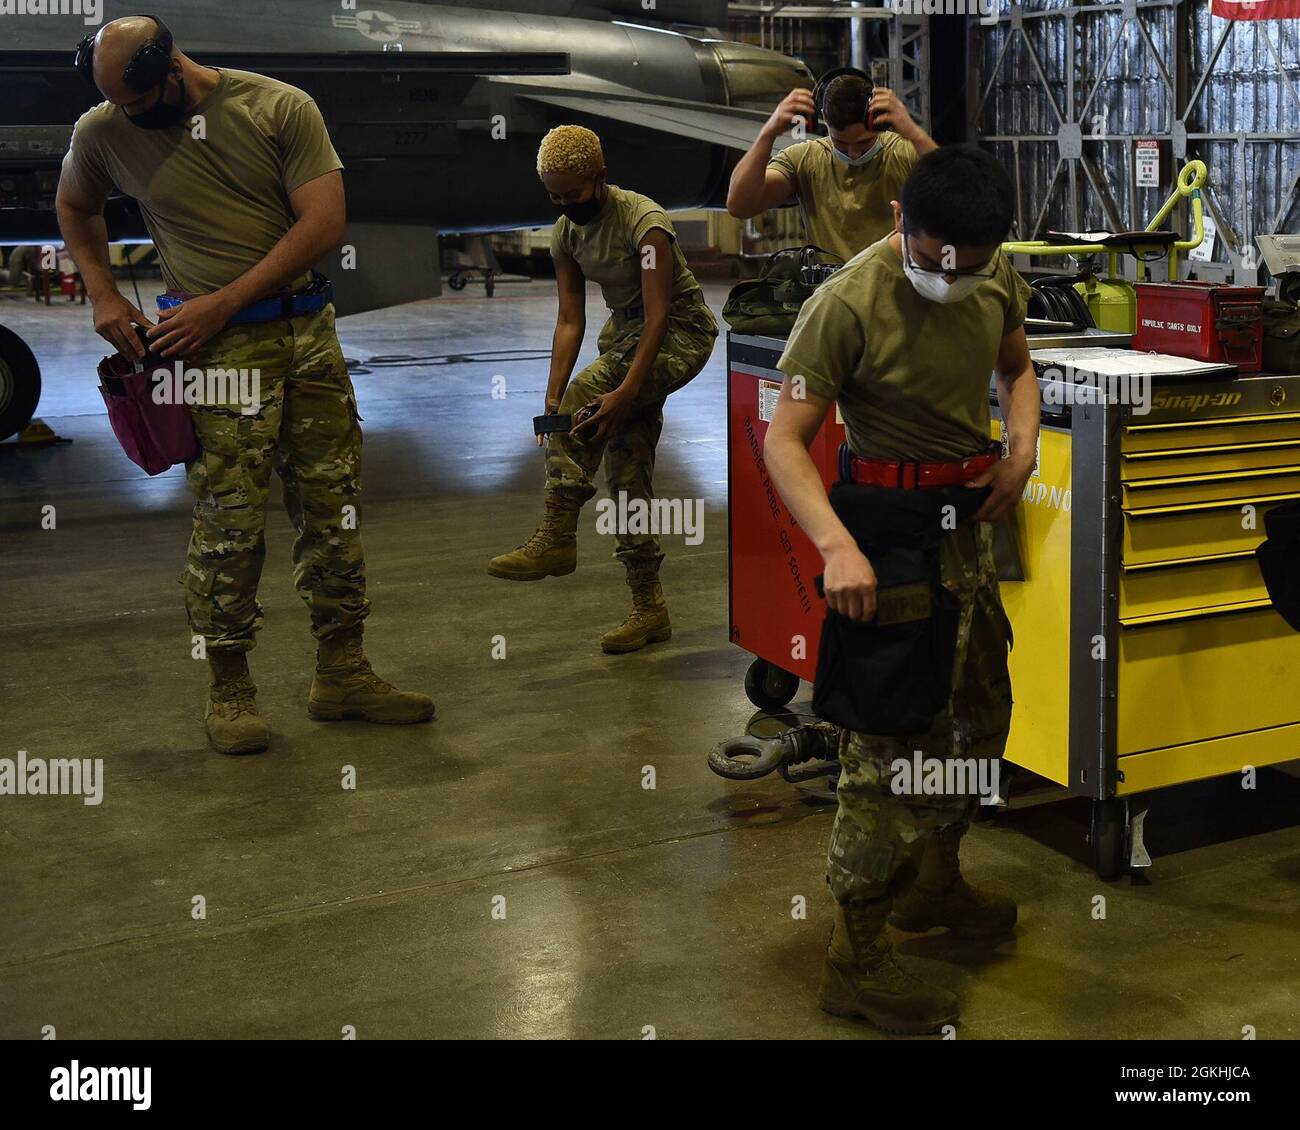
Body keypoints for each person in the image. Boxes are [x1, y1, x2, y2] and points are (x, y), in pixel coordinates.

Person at [57, 15, 433, 756]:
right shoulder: (102, 131)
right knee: (230, 519)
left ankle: (343, 672)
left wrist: (225, 300)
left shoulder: (277, 107)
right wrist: (102, 293)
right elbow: (76, 204)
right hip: (218, 354)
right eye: (115, 104)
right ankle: (229, 687)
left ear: (171, 68)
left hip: (305, 335)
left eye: (136, 101)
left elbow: (324, 224)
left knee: (333, 511)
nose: (127, 116)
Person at [763, 146, 1040, 1034]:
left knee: (975, 715)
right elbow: (784, 441)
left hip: (967, 527)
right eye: (931, 261)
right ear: (896, 221)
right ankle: (857, 956)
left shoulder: (992, 274)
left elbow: (1017, 367)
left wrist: (1022, 447)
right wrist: (837, 548)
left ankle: (937, 883)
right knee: (884, 751)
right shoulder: (843, 304)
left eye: (968, 265)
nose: (950, 280)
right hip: (883, 535)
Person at [487, 125, 718, 653]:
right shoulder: (565, 232)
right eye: (555, 196)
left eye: (574, 193)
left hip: (680, 331)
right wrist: (551, 398)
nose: (567, 204)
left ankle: (557, 535)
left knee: (590, 401)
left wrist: (625, 392)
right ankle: (649, 608)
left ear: (601, 178)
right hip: (625, 337)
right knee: (626, 471)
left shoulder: (646, 223)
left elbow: (659, 315)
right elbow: (570, 319)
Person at [727, 72, 937, 262]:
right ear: (824, 121)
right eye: (841, 143)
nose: (853, 153)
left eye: (864, 142)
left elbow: (958, 192)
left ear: (878, 123)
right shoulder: (805, 159)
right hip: (829, 293)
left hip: (892, 288)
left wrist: (912, 131)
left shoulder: (904, 153)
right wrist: (768, 133)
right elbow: (739, 205)